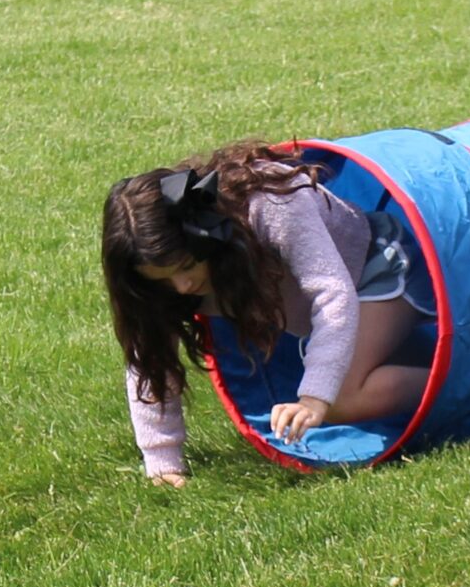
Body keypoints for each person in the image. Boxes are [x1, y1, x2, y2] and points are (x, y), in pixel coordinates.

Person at [102, 145, 433, 486]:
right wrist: (162, 460)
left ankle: (453, 379)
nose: (183, 286)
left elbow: (332, 292)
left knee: (341, 397)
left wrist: (313, 399)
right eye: (163, 280)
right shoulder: (171, 281)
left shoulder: (274, 204)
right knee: (333, 388)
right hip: (330, 305)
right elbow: (149, 356)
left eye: (187, 266)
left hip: (378, 268)